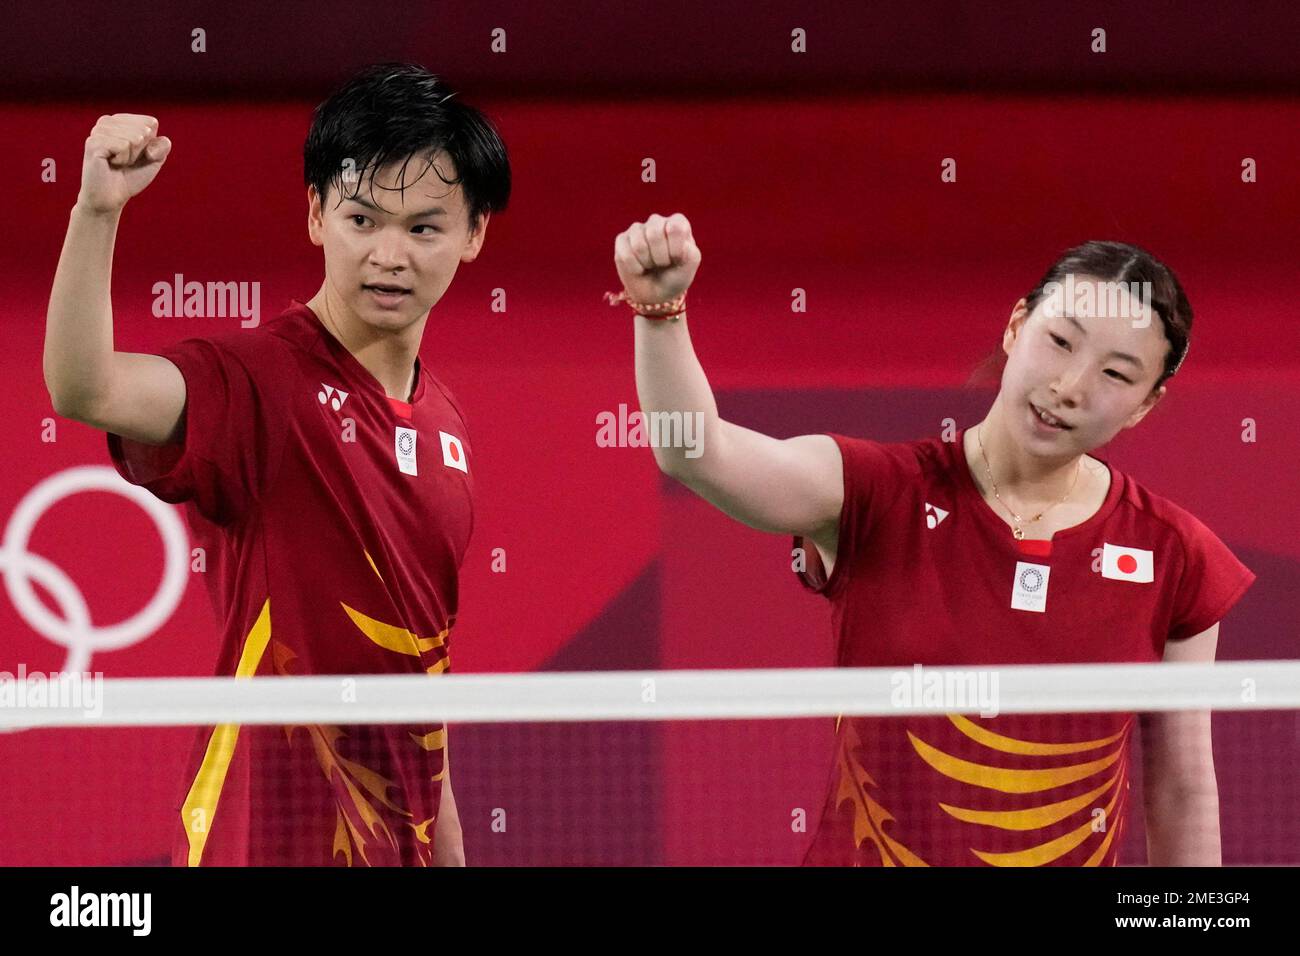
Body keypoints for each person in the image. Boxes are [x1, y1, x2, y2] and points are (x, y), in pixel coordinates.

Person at [615, 214, 1256, 866]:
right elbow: (698, 454)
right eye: (1060, 341)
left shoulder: (1176, 554)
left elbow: (1180, 785)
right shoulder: (875, 493)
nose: (1071, 387)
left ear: (1147, 403)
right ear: (1015, 326)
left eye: (1117, 375)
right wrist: (659, 312)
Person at [44, 62, 510, 866]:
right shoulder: (261, 383)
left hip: (395, 843)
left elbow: (419, 685)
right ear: (316, 214)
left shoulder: (446, 425)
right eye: (362, 219)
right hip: (267, 839)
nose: (389, 254)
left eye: (424, 228)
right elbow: (87, 386)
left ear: (472, 235)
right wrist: (96, 211)